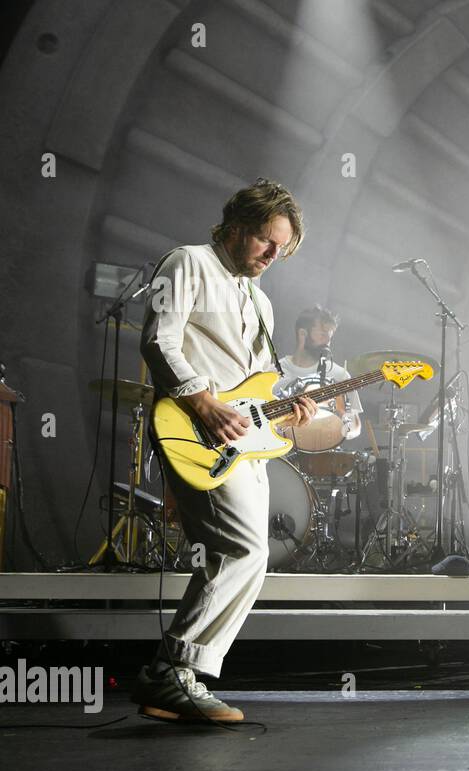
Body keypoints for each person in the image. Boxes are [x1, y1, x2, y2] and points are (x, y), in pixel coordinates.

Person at [135, 178, 317, 722]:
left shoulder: (260, 301)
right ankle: (170, 673)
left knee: (246, 556)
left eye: (281, 247)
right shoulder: (186, 263)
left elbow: (258, 386)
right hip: (197, 425)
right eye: (265, 240)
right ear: (236, 228)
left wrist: (292, 408)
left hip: (243, 441)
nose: (272, 255)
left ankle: (175, 675)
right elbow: (158, 340)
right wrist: (204, 403)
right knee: (243, 552)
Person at [272, 305, 363, 445]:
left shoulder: (339, 375)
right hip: (277, 456)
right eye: (322, 335)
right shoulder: (272, 372)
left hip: (319, 458)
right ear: (303, 334)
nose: (327, 342)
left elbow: (356, 428)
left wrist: (342, 420)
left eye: (330, 337)